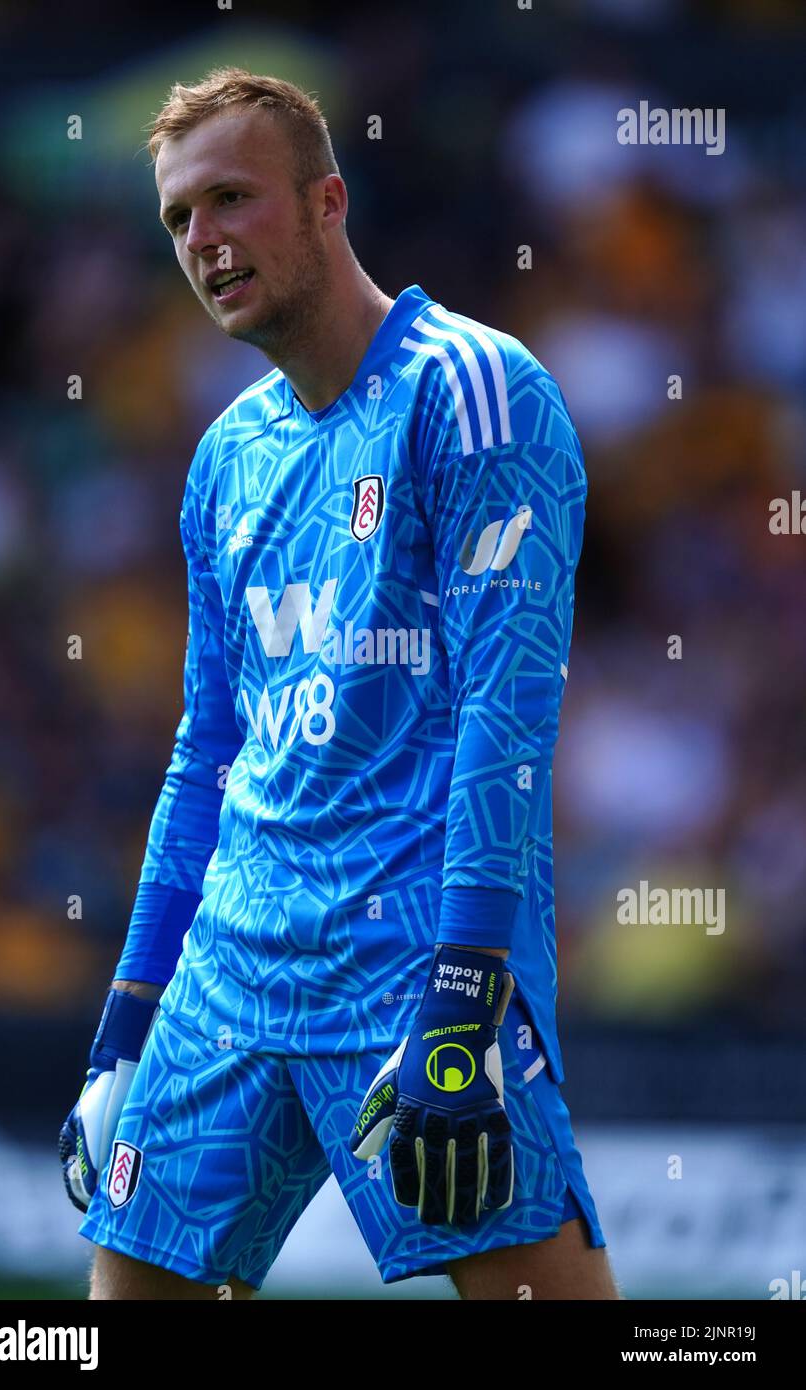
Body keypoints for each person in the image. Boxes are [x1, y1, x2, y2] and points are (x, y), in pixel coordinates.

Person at [59, 66, 620, 1301]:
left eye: (230, 200)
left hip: (415, 968)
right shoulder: (225, 456)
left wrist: (471, 986)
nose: (202, 241)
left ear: (327, 201)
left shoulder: (473, 391)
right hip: (231, 971)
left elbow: (505, 712)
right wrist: (128, 1018)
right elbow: (209, 747)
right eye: (177, 220)